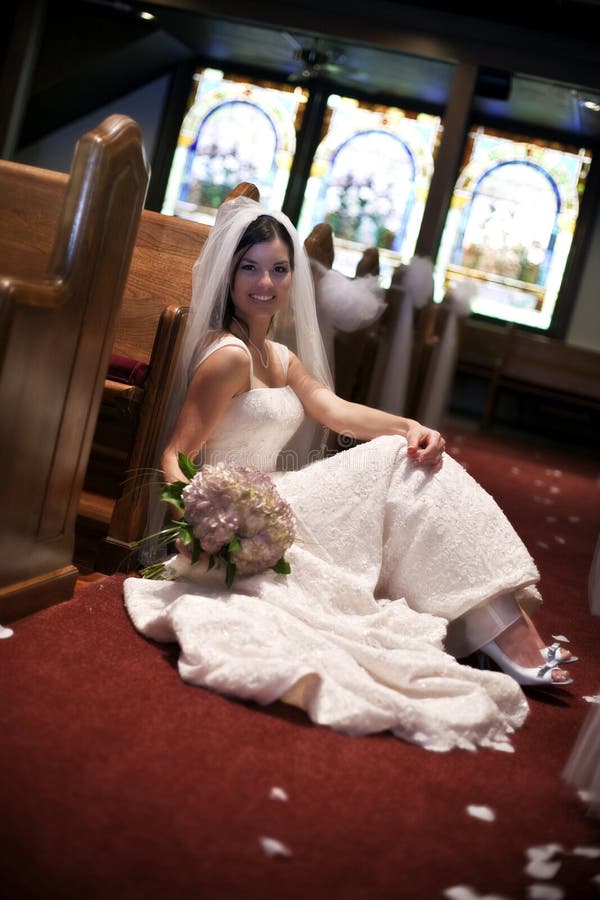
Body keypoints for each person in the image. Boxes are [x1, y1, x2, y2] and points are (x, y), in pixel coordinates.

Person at [123, 196, 577, 753]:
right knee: (397, 463)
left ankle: (497, 624)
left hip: (278, 498)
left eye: (279, 269)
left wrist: (409, 424)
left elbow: (336, 411)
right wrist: (205, 526)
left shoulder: (279, 355)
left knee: (406, 457)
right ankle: (501, 631)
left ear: (292, 277)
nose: (265, 282)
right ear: (229, 274)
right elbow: (176, 453)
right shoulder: (230, 356)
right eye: (250, 267)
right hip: (242, 514)